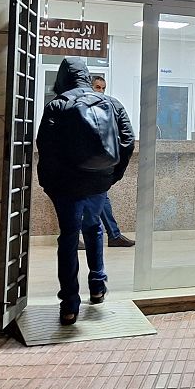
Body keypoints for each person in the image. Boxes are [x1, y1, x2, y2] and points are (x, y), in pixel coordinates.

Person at [36, 57, 136, 324]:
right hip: (99, 181)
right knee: (94, 229)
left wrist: (49, 184)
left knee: (68, 238)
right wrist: (113, 176)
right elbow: (127, 141)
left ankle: (69, 304)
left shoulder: (57, 105)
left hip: (67, 186)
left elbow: (46, 148)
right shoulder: (112, 103)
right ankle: (98, 286)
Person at [90, 74, 135, 248]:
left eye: (103, 88)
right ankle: (113, 235)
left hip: (99, 163)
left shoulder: (110, 105)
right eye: (97, 87)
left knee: (100, 198)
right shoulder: (80, 105)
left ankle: (114, 235)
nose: (100, 91)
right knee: (90, 199)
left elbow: (124, 135)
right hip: (84, 163)